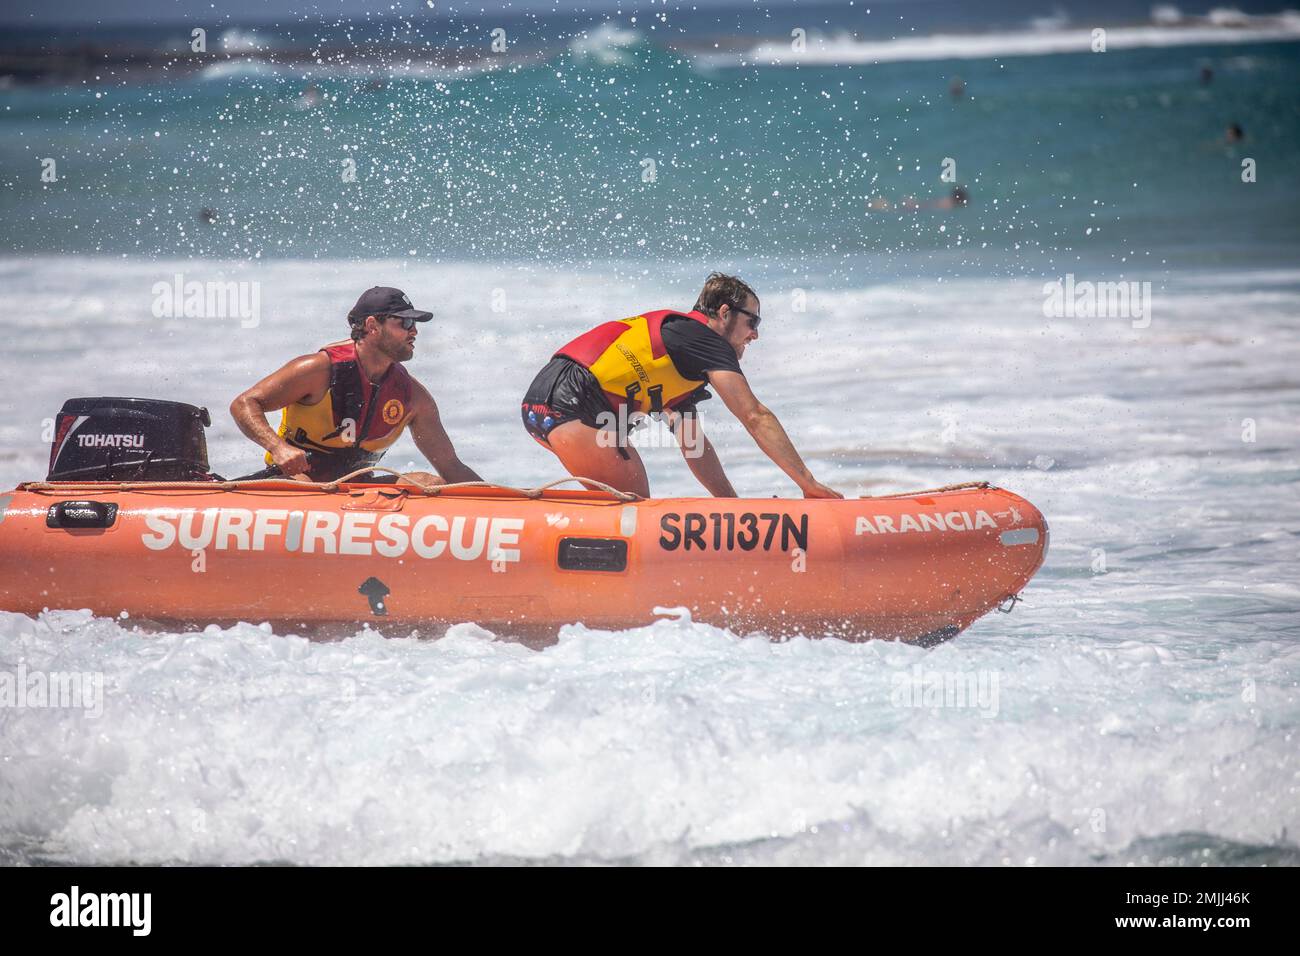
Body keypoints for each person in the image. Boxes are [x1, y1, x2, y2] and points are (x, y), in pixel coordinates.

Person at [520, 273, 842, 499]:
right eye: (752, 322)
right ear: (724, 313)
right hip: (572, 405)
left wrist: (730, 506)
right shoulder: (702, 339)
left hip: (541, 406)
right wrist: (808, 483)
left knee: (621, 501)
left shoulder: (680, 356)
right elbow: (755, 415)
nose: (755, 334)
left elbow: (694, 444)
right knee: (633, 507)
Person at [230, 286, 482, 484]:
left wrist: (506, 502)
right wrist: (278, 448)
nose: (414, 331)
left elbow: (451, 466)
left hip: (356, 488)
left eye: (414, 324)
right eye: (404, 323)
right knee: (305, 486)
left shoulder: (413, 397)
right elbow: (244, 404)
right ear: (372, 325)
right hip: (297, 482)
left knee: (429, 482)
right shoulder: (318, 370)